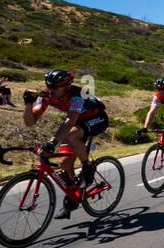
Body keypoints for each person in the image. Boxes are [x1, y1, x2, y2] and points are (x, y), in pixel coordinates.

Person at [22, 69, 108, 219]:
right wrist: (28, 104)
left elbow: (70, 121)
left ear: (67, 86)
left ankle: (88, 166)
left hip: (96, 118)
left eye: (55, 88)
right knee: (64, 163)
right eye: (49, 87)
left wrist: (52, 142)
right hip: (77, 121)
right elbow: (30, 122)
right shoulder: (47, 95)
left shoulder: (77, 95)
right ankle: (72, 199)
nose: (51, 91)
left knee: (70, 134)